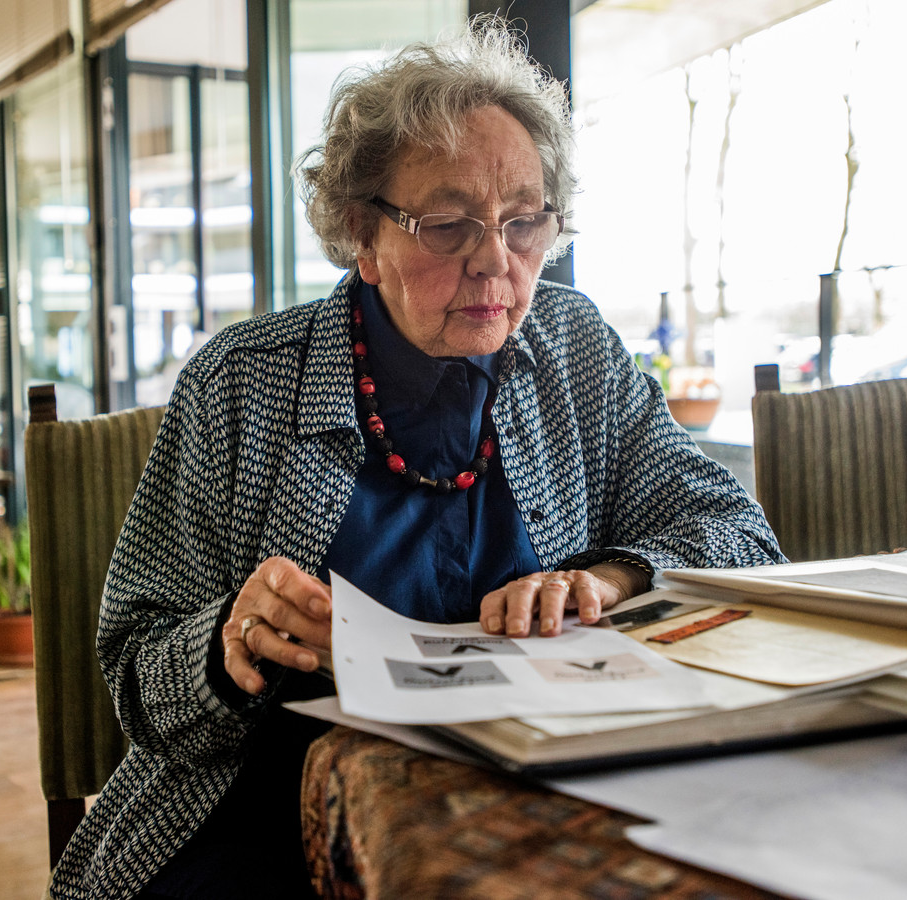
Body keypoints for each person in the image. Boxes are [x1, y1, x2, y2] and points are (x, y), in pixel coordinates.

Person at [47, 19, 784, 900]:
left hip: (536, 795)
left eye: (524, 223)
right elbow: (132, 669)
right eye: (448, 226)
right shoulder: (240, 386)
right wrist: (227, 645)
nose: (495, 264)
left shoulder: (574, 346)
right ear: (363, 233)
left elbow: (735, 532)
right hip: (262, 810)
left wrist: (612, 577)